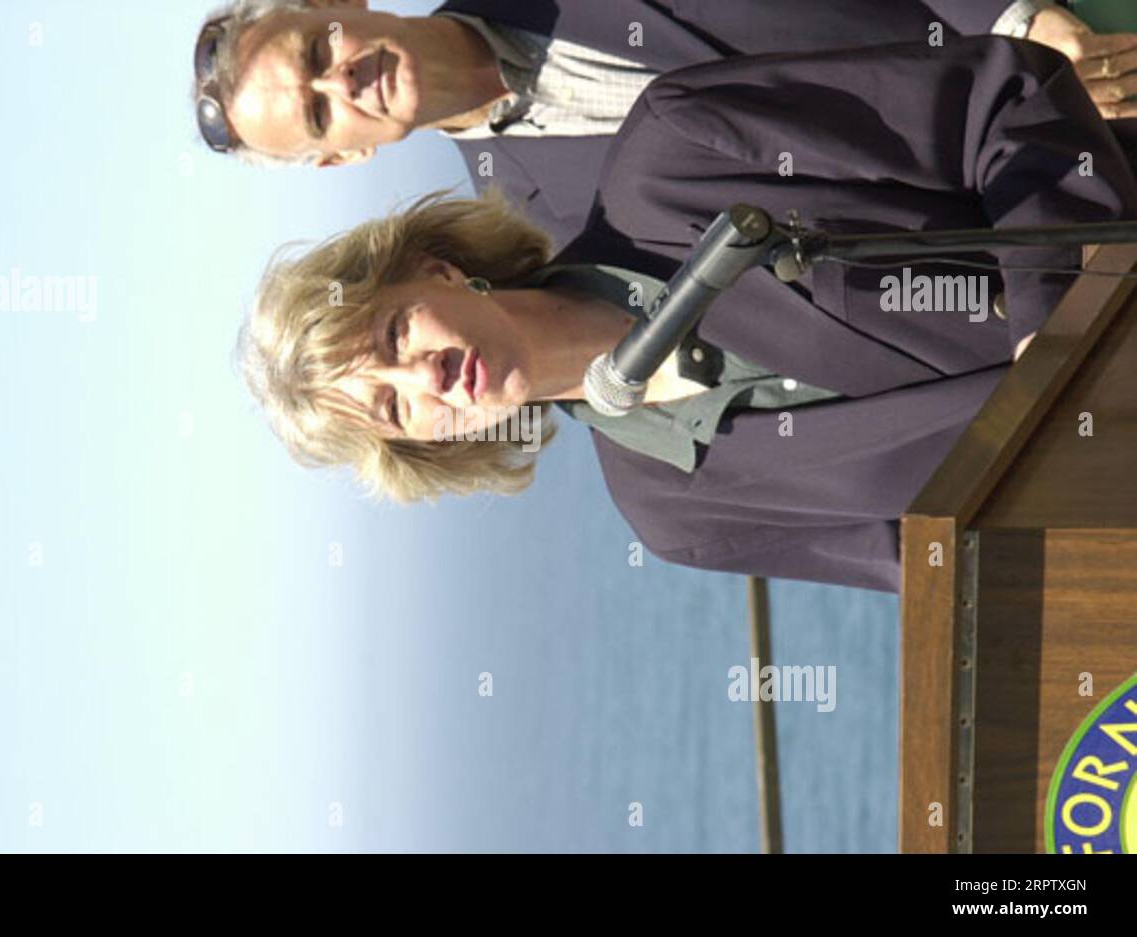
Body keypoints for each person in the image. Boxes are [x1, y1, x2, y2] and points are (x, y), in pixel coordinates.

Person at [234, 35, 1137, 592]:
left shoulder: (675, 153)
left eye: (394, 336)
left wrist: (1057, 325)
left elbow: (1003, 99)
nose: (420, 376)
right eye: (392, 406)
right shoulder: (673, 518)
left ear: (435, 273)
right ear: (424, 445)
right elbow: (957, 580)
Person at [193, 0, 1137, 243]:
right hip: (1066, 235)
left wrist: (1016, 26)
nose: (345, 79)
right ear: (340, 157)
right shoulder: (550, 245)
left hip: (1087, 50)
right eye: (320, 112)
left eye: (318, 50)